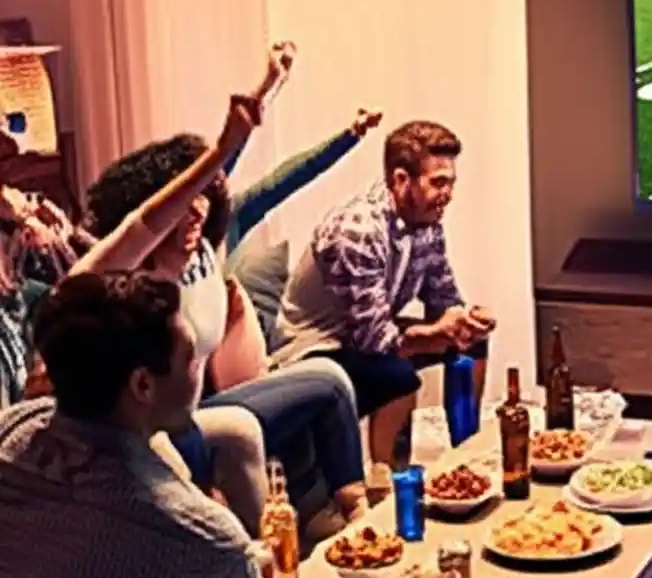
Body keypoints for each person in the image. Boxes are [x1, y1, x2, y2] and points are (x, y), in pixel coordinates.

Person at [74, 54, 369, 535]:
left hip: (211, 403)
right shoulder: (137, 279)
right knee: (238, 431)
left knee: (330, 378)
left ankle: (354, 520)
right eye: (180, 209)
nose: (193, 216)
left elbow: (263, 178)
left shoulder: (211, 245)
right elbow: (142, 224)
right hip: (166, 421)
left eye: (201, 205)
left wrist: (273, 88)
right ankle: (259, 563)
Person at [0, 271, 329, 578]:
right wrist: (244, 573)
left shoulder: (13, 430)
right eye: (191, 358)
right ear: (142, 385)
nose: (200, 370)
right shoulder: (190, 532)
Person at [272, 120, 496, 477]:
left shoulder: (427, 224)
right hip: (314, 348)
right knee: (396, 371)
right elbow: (374, 340)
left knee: (471, 343)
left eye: (451, 183)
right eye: (438, 182)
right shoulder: (358, 229)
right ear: (401, 180)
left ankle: (463, 458)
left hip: (365, 334)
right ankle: (385, 477)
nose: (448, 194)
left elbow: (444, 297)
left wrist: (466, 320)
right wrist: (435, 334)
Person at [225, 108, 384, 349]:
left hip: (240, 343)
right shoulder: (160, 240)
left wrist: (349, 136)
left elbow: (288, 178)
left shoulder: (230, 216)